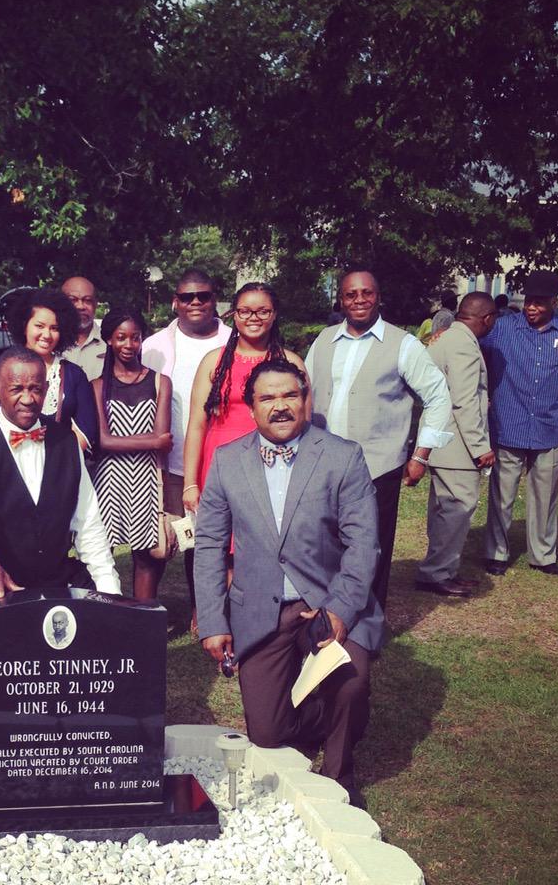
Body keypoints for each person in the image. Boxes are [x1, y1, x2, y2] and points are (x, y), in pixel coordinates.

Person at [194, 359, 384, 802]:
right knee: (268, 732)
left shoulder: (342, 456)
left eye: (289, 395)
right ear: (252, 408)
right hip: (261, 609)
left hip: (327, 599)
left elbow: (363, 545)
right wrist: (214, 621)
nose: (279, 406)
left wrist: (339, 610)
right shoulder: (227, 461)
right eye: (267, 398)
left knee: (350, 680)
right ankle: (323, 710)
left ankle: (340, 777)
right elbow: (209, 545)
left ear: (304, 400)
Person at [305, 269, 452, 608]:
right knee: (324, 544)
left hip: (377, 467)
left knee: (371, 547)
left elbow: (438, 397)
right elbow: (305, 392)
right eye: (351, 294)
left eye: (366, 293)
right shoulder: (324, 340)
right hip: (322, 463)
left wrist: (420, 455)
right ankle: (328, 618)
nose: (359, 300)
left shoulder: (403, 344)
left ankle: (367, 623)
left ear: (378, 297)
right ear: (341, 300)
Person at [0, 348, 120, 601]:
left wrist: (110, 593)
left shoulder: (67, 442)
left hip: (55, 586)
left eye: (35, 389)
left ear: (46, 389)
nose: (27, 399)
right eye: (17, 389)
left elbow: (88, 523)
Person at [181, 283, 307, 628]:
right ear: (233, 315)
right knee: (217, 547)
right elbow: (196, 425)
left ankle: (251, 618)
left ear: (274, 315)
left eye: (262, 311)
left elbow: (304, 426)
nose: (254, 318)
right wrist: (190, 483)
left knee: (258, 546)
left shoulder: (291, 363)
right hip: (219, 466)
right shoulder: (214, 362)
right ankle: (213, 614)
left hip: (271, 467)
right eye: (245, 311)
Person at [142, 269, 232, 623]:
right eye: (187, 296)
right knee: (157, 542)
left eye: (203, 296)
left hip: (215, 464)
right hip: (166, 464)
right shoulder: (153, 346)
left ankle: (203, 611)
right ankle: (144, 613)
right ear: (175, 302)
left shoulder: (233, 341)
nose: (195, 302)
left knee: (207, 544)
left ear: (215, 301)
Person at [481, 270, 558, 577]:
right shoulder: (503, 329)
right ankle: (496, 553)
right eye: (529, 300)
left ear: (554, 302)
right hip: (509, 424)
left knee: (545, 496)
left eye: (539, 302)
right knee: (502, 495)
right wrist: (445, 334)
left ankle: (543, 555)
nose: (531, 307)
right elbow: (471, 339)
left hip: (551, 427)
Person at [416, 293, 497, 596]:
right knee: (456, 511)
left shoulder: (448, 337)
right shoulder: (463, 344)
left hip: (441, 441)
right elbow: (464, 401)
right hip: (457, 444)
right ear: (487, 318)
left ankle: (440, 570)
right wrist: (480, 447)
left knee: (444, 511)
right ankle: (437, 574)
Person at [91, 309, 172, 599]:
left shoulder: (160, 382)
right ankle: (103, 614)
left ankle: (142, 617)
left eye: (135, 338)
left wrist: (123, 441)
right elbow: (102, 441)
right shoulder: (97, 386)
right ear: (109, 340)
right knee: (102, 554)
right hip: (108, 481)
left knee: (146, 557)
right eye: (121, 337)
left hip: (147, 480)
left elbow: (164, 438)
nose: (128, 344)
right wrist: (151, 441)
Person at [0, 287, 98, 450]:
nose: (47, 335)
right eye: (39, 326)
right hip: (6, 459)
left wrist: (54, 459)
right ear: (24, 325)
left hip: (59, 461)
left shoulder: (74, 374)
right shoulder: (0, 367)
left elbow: (86, 430)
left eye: (54, 328)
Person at [61, 276, 106, 381]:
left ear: (95, 304)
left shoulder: (110, 344)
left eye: (87, 300)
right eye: (73, 300)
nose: (80, 306)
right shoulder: (50, 342)